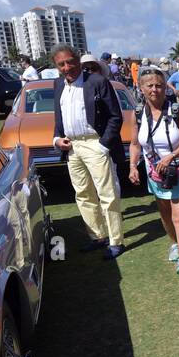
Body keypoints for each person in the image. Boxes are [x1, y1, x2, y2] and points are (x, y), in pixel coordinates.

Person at [49, 46, 126, 259]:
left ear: (78, 61)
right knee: (83, 194)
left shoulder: (97, 81)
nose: (67, 67)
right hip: (72, 147)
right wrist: (57, 138)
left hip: (95, 144)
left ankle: (116, 241)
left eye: (70, 62)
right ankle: (98, 236)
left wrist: (103, 145)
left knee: (107, 194)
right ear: (57, 67)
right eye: (61, 64)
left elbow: (115, 117)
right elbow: (59, 117)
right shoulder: (57, 85)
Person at [131, 67, 179, 277]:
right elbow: (134, 143)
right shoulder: (138, 114)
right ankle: (174, 243)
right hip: (154, 171)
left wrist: (170, 157)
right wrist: (133, 165)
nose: (154, 89)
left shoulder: (178, 111)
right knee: (165, 213)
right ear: (141, 88)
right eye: (149, 85)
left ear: (164, 87)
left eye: (159, 85)